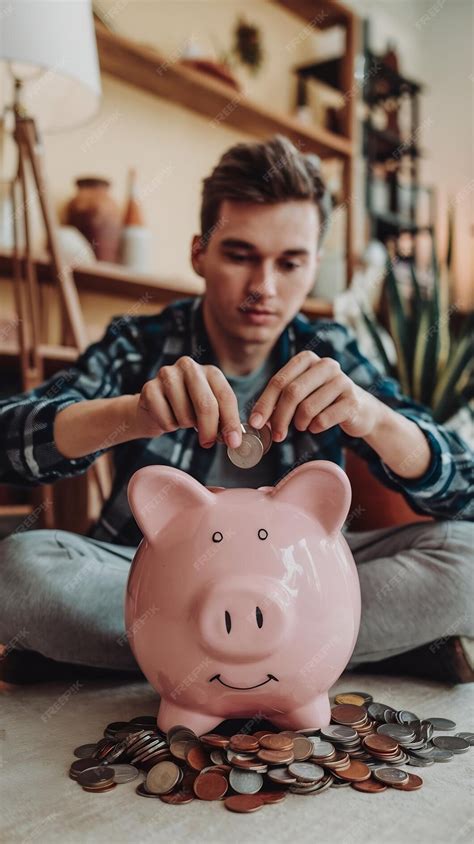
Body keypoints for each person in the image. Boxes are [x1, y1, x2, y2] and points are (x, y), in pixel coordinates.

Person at [0, 135, 473, 687]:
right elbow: (9, 440)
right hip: (161, 580)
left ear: (314, 264)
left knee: (468, 560)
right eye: (240, 255)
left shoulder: (329, 349)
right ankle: (319, 653)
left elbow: (464, 484)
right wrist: (131, 414)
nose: (264, 288)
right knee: (18, 571)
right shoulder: (141, 340)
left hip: (301, 582)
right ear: (199, 252)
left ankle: (166, 659)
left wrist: (374, 416)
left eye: (290, 263)